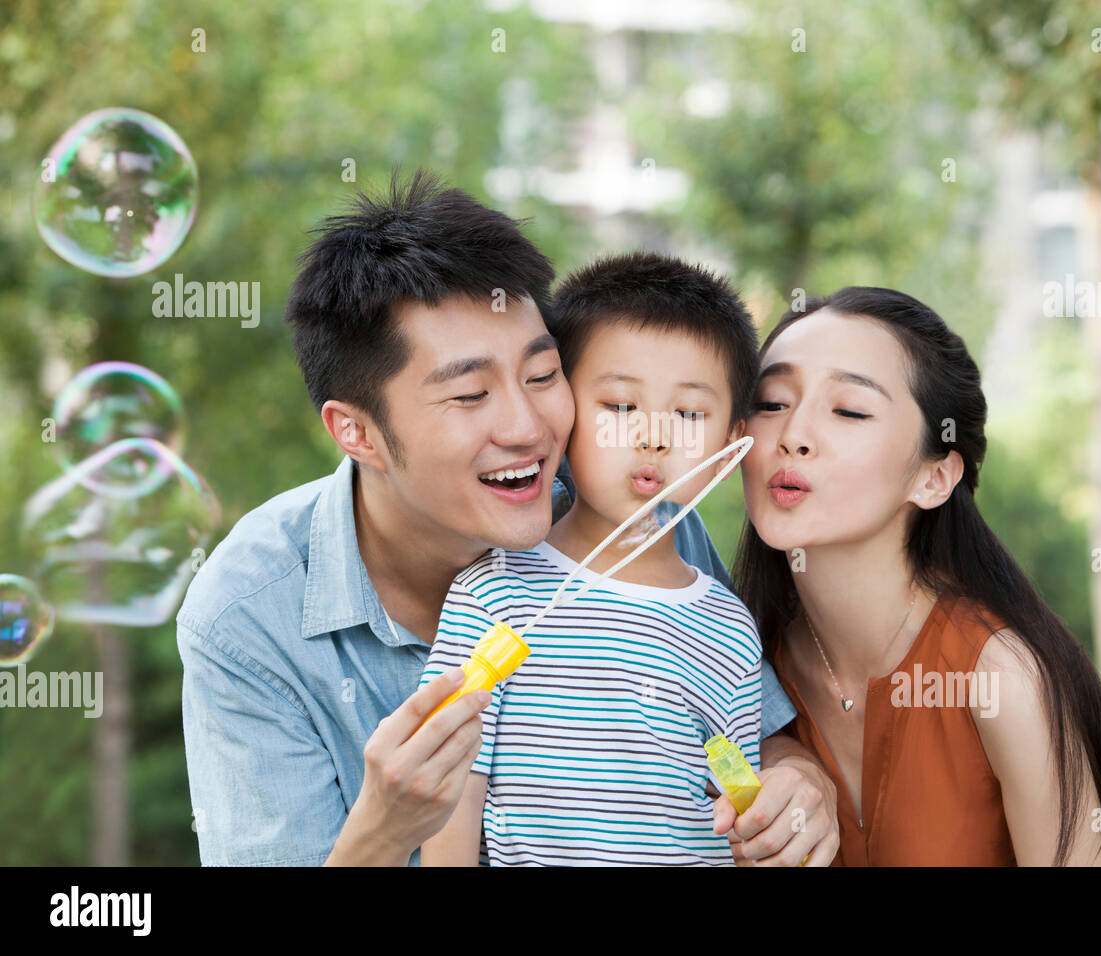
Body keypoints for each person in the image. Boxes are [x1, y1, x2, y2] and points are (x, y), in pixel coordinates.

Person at [176, 170, 838, 866]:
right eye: (468, 394)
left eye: (542, 374)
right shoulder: (246, 621)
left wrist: (799, 779)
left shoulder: (633, 501)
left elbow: (736, 732)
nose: (527, 429)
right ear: (357, 433)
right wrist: (387, 827)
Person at [418, 252, 838, 866]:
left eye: (690, 415)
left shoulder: (729, 630)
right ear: (560, 414)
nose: (654, 438)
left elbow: (738, 800)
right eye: (619, 406)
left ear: (728, 446)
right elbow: (451, 795)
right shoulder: (493, 596)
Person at [733, 286, 1101, 865]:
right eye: (772, 402)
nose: (793, 435)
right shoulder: (729, 657)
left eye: (849, 410)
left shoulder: (1004, 679)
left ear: (934, 477)